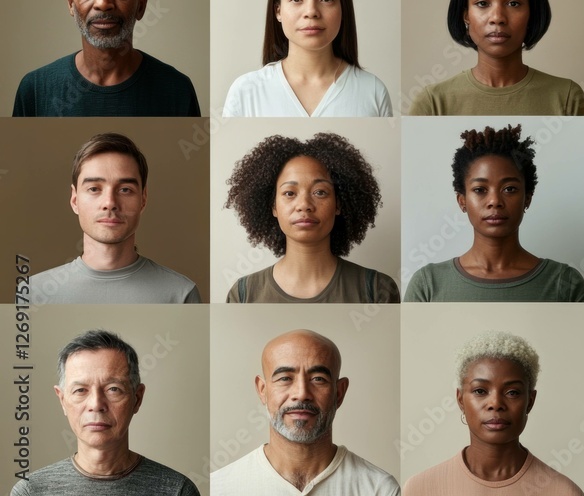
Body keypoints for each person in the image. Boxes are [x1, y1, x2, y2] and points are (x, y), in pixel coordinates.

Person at [404, 124, 584, 302]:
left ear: (527, 198)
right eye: (480, 189)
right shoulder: (428, 284)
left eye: (509, 189)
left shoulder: (565, 283)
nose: (495, 201)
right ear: (462, 200)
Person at [12, 0, 199, 117]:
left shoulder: (177, 89)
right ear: (71, 3)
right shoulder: (35, 88)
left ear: (140, 6)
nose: (103, 3)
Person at [10, 330, 199, 495]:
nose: (96, 404)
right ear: (62, 400)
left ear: (137, 398)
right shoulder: (31, 491)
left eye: (113, 389)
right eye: (80, 390)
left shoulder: (177, 490)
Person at [212, 330, 400, 495]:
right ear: (263, 390)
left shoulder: (379, 489)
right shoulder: (219, 488)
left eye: (318, 379)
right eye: (285, 378)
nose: (301, 393)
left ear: (339, 392)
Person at [403, 330, 583, 495]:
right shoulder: (419, 489)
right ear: (460, 400)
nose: (496, 404)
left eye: (512, 392)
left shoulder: (563, 491)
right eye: (480, 391)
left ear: (530, 401)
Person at [225, 133, 398, 303]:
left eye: (320, 192)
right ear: (273, 207)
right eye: (289, 193)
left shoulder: (377, 290)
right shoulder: (243, 294)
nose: (304, 204)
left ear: (338, 204)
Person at [408, 0, 584, 116]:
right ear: (466, 15)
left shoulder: (566, 97)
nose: (497, 18)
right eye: (482, 3)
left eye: (514, 3)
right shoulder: (433, 102)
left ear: (532, 13)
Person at [31, 133, 200, 304]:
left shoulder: (182, 293)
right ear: (75, 200)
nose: (110, 203)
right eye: (94, 189)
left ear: (143, 199)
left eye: (125, 189)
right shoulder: (31, 293)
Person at [223, 0, 391, 117]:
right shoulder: (244, 92)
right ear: (278, 11)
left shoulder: (373, 92)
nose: (311, 11)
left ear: (343, 8)